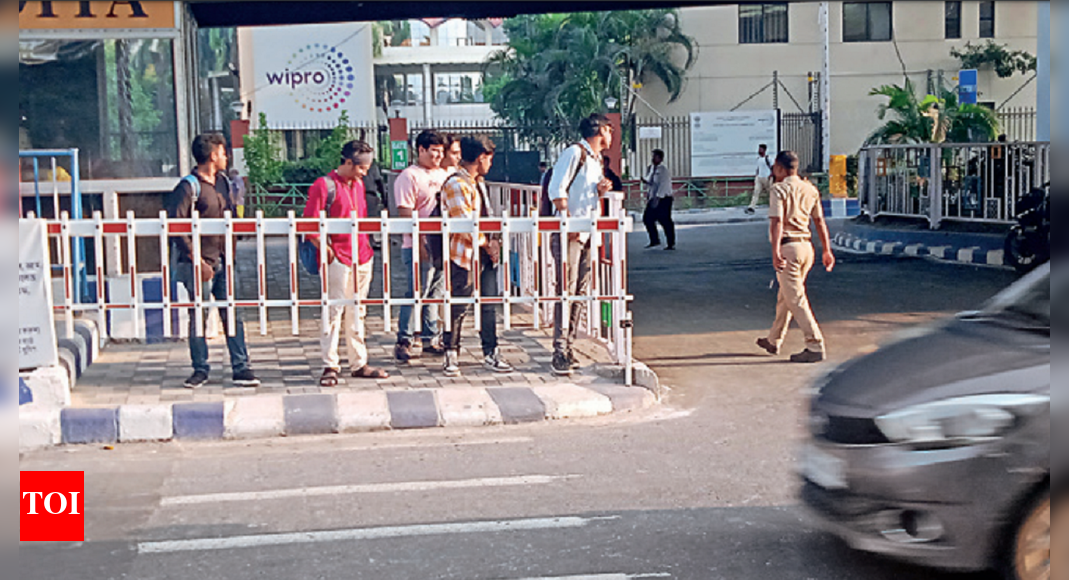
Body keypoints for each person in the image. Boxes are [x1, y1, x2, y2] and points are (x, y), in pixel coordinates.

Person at [166, 133, 259, 389]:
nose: (226, 157)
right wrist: (197, 260)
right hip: (200, 263)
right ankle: (200, 368)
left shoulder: (223, 182)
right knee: (199, 316)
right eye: (222, 152)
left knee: (233, 314)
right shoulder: (188, 187)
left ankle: (241, 367)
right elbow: (176, 227)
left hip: (225, 260)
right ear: (212, 155)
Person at [304, 141, 389, 386]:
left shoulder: (359, 185)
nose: (365, 172)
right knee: (333, 310)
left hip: (361, 253)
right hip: (337, 255)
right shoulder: (324, 185)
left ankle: (358, 362)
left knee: (357, 310)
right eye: (362, 167)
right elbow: (310, 223)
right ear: (348, 162)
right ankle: (330, 363)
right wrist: (325, 248)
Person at [440, 136, 514, 377]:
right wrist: (486, 243)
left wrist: (493, 243)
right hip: (464, 253)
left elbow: (485, 216)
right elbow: (463, 224)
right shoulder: (456, 184)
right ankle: (451, 352)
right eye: (489, 159)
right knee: (459, 303)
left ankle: (490, 351)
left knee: (489, 303)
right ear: (481, 157)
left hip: (482, 252)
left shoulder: (477, 182)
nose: (490, 164)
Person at [547, 113, 614, 376]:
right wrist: (567, 222)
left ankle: (569, 345)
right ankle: (559, 349)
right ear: (599, 130)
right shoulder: (575, 153)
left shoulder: (595, 159)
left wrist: (600, 190)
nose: (611, 135)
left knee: (579, 291)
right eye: (609, 130)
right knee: (566, 289)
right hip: (571, 234)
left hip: (586, 233)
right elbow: (556, 189)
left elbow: (580, 192)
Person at [756, 150, 836, 364]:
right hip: (806, 249)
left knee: (796, 299)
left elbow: (777, 222)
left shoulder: (779, 190)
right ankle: (774, 339)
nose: (773, 172)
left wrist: (775, 253)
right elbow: (820, 222)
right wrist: (827, 250)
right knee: (786, 296)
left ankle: (814, 344)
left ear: (781, 168)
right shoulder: (810, 189)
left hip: (788, 248)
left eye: (774, 168)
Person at [393, 130, 448, 363]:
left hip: (442, 243)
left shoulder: (447, 174)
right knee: (417, 291)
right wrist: (419, 243)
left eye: (441, 151)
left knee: (435, 292)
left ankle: (429, 338)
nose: (438, 155)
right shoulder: (409, 176)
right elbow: (406, 213)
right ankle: (404, 339)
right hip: (418, 244)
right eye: (434, 150)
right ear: (421, 150)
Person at [642, 149, 675, 250]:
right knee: (647, 218)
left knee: (665, 220)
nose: (653, 159)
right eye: (652, 157)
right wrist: (646, 182)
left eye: (655, 157)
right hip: (654, 197)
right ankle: (654, 240)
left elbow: (663, 185)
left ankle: (671, 243)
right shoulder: (652, 169)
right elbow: (652, 182)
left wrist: (658, 198)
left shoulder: (663, 170)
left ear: (660, 158)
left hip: (664, 198)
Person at [362, 159, 388, 249]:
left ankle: (368, 240)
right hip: (370, 194)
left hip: (364, 193)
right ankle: (370, 241)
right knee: (369, 218)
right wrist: (385, 200)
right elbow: (379, 182)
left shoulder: (353, 161)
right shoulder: (372, 164)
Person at [745, 144, 774, 215]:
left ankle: (774, 207)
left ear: (764, 150)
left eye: (760, 149)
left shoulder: (769, 159)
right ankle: (752, 207)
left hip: (767, 178)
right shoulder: (758, 159)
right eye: (759, 149)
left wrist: (771, 176)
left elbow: (773, 167)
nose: (759, 150)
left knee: (771, 193)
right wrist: (757, 175)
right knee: (756, 192)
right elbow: (758, 168)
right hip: (759, 178)